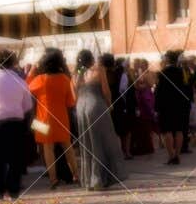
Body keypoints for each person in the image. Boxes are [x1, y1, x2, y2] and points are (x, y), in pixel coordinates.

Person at [0, 49, 33, 204]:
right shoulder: (21, 81)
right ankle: (13, 190)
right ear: (13, 62)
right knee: (15, 158)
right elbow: (27, 105)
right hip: (16, 122)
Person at [73, 49, 127, 191]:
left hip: (81, 108)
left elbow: (75, 95)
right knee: (103, 141)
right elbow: (106, 90)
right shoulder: (98, 69)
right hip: (96, 105)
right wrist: (110, 104)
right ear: (91, 59)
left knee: (87, 143)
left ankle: (89, 179)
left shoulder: (76, 75)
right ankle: (100, 178)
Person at [26, 48, 78, 189]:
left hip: (43, 119)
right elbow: (71, 102)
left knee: (47, 150)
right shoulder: (65, 79)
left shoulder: (40, 80)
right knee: (68, 147)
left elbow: (27, 88)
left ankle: (53, 179)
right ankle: (76, 174)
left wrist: (32, 70)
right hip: (62, 117)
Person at [154, 50, 193, 164]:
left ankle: (171, 155)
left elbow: (158, 91)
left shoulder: (161, 73)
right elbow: (186, 87)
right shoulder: (182, 72)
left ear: (167, 59)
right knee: (179, 130)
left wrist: (156, 106)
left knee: (167, 130)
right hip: (180, 104)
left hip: (166, 105)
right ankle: (177, 155)